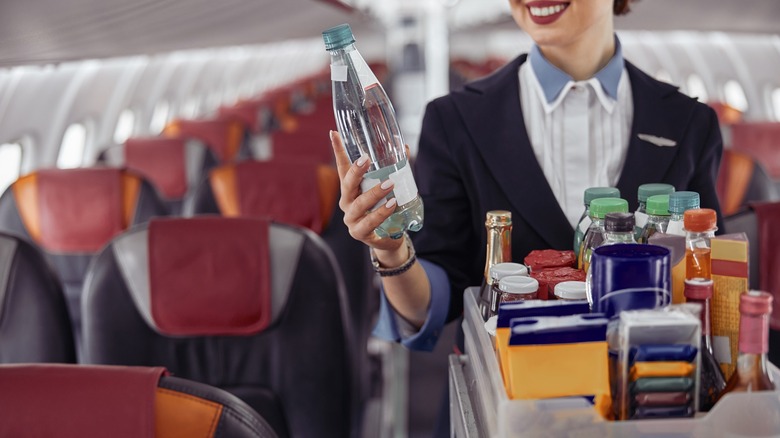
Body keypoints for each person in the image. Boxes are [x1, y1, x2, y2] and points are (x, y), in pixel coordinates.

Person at [329, 0, 723, 368]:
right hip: (504, 390)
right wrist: (393, 251)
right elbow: (436, 299)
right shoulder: (456, 121)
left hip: (644, 387)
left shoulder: (689, 124)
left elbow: (710, 278)